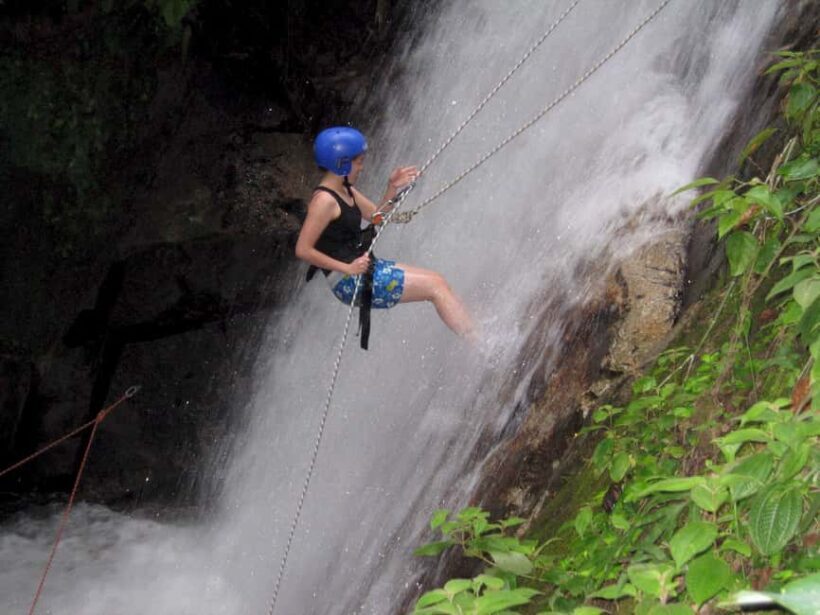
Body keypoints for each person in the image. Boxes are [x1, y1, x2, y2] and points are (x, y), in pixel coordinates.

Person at [295, 126, 474, 339]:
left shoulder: (345, 191)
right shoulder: (324, 201)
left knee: (438, 280)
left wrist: (392, 187)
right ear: (341, 163)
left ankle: (476, 332)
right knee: (435, 286)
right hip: (349, 280)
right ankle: (481, 344)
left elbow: (377, 217)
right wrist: (347, 268)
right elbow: (303, 249)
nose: (362, 168)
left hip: (364, 269)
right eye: (358, 162)